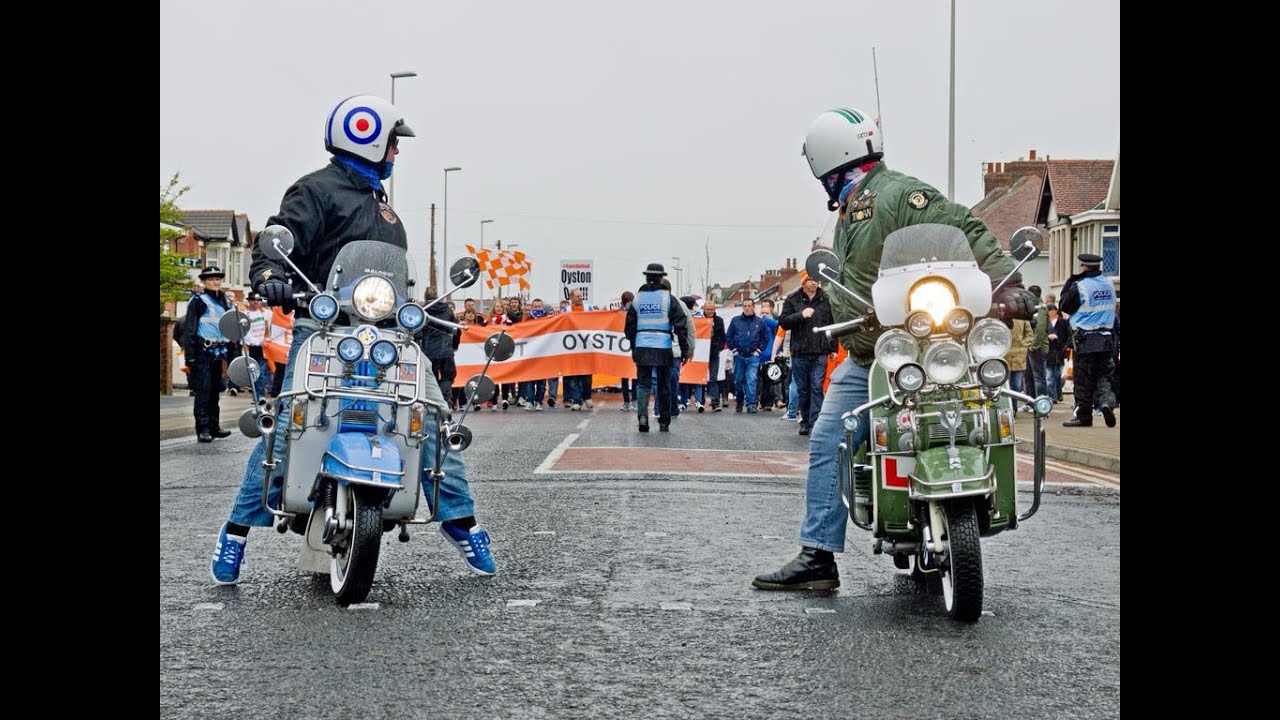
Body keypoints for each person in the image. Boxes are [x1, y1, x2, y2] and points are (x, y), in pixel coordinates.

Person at [209, 94, 496, 586]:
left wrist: (417, 310)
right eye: (392, 143)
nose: (397, 153)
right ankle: (236, 531)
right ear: (365, 136)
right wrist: (269, 271)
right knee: (287, 421)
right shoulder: (315, 191)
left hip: (386, 334)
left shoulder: (385, 213)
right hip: (323, 327)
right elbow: (281, 236)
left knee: (430, 414)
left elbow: (393, 281)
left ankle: (460, 520)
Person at [753, 106, 1036, 591]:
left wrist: (1003, 280)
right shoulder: (849, 210)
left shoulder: (899, 192)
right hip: (870, 354)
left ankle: (934, 516)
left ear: (827, 159)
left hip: (921, 345)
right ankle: (818, 554)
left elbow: (963, 228)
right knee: (829, 440)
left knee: (964, 422)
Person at [624, 263, 690, 432]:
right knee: (663, 384)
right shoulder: (668, 298)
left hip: (642, 346)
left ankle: (643, 417)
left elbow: (629, 328)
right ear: (661, 278)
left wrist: (634, 346)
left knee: (643, 384)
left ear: (646, 277)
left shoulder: (637, 299)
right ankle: (664, 421)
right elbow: (681, 325)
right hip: (663, 347)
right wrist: (684, 349)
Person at [1059, 253, 1117, 428]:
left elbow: (1064, 306)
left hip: (1085, 340)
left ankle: (1084, 416)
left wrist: (1070, 282)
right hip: (1107, 339)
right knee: (1104, 376)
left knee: (1083, 380)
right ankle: (1106, 403)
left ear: (1083, 266)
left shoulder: (1080, 286)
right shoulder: (1109, 283)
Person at [181, 266, 236, 443]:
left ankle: (214, 426)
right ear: (204, 281)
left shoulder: (225, 301)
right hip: (202, 352)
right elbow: (189, 329)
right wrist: (189, 357)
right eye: (211, 279)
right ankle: (203, 429)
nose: (215, 282)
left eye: (218, 279)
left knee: (215, 391)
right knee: (203, 391)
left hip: (219, 351)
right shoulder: (198, 300)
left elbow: (229, 326)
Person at [778, 275, 835, 436]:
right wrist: (800, 315)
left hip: (820, 351)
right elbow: (783, 322)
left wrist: (833, 347)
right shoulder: (792, 299)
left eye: (816, 280)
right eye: (810, 280)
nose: (814, 283)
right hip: (800, 351)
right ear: (804, 282)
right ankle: (805, 421)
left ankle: (815, 422)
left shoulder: (825, 299)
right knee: (803, 389)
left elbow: (831, 323)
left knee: (816, 387)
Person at [418, 289, 461, 409]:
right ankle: (445, 399)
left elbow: (417, 332)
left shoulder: (422, 311)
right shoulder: (447, 309)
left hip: (429, 349)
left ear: (425, 297)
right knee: (448, 375)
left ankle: (435, 403)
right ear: (438, 297)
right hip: (446, 348)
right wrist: (455, 345)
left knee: (432, 378)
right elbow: (457, 328)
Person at [725, 299, 769, 413]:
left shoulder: (759, 322)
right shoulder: (735, 321)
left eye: (749, 306)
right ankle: (739, 401)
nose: (747, 308)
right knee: (738, 380)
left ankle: (751, 404)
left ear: (754, 307)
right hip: (739, 356)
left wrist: (759, 350)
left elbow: (765, 337)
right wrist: (734, 350)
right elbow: (728, 336)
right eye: (745, 306)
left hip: (753, 356)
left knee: (751, 379)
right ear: (742, 307)